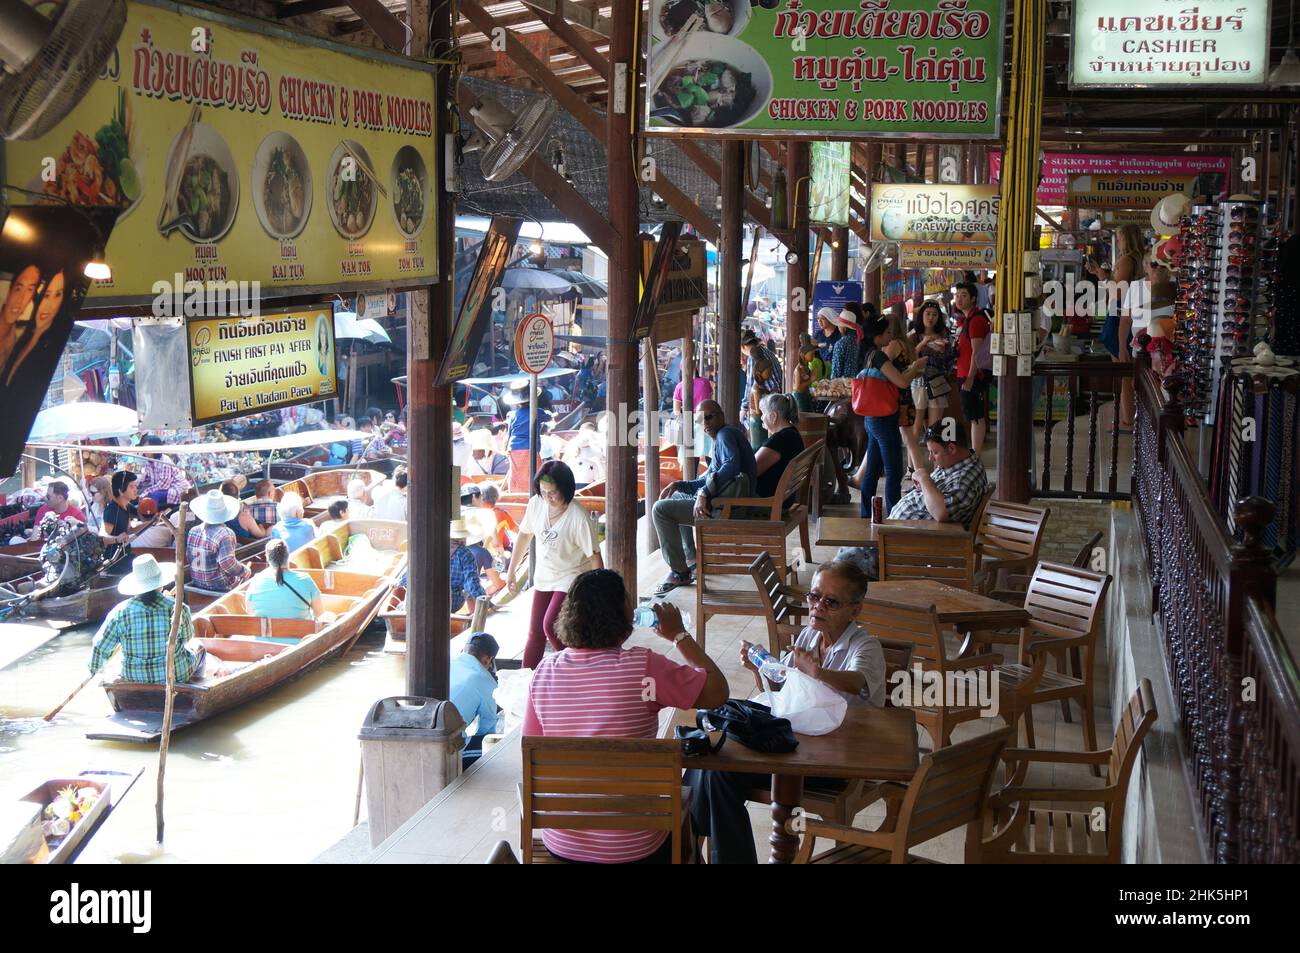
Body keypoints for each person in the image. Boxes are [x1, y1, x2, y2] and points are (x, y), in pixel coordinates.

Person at [522, 569, 728, 863]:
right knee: (689, 806)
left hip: (565, 847)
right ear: (623, 618)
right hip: (636, 847)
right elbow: (718, 691)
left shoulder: (543, 674)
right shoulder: (644, 669)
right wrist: (679, 635)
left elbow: (532, 755)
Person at [687, 559, 885, 863]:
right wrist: (759, 670)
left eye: (830, 602)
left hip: (836, 763)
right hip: (795, 750)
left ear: (854, 611)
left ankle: (693, 851)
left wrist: (817, 672)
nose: (818, 607)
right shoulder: (810, 636)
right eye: (814, 596)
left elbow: (857, 682)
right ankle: (695, 852)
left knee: (717, 770)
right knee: (708, 762)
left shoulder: (865, 647)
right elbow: (784, 693)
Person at [836, 424, 989, 579]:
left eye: (934, 452)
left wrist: (924, 477)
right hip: (900, 537)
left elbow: (942, 512)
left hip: (910, 547)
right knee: (845, 553)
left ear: (951, 448)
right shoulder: (958, 463)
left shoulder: (964, 480)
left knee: (842, 568)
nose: (931, 458)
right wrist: (923, 485)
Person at [504, 461, 603, 670]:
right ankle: (526, 680)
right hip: (545, 574)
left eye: (553, 493)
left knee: (550, 626)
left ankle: (575, 667)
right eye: (543, 491)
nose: (548, 497)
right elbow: (524, 535)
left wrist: (598, 594)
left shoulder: (578, 516)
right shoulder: (536, 504)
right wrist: (511, 571)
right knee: (534, 631)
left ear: (566, 490)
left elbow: (595, 557)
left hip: (572, 576)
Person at [651, 399, 757, 595]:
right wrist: (679, 484)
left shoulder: (725, 435)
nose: (705, 423)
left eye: (709, 417)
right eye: (701, 420)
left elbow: (731, 467)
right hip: (729, 502)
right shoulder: (724, 436)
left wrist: (704, 493)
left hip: (729, 508)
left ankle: (679, 571)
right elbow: (710, 477)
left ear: (721, 416)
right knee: (678, 495)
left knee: (660, 510)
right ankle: (691, 560)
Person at [87, 554, 220, 684]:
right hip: (175, 675)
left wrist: (94, 669)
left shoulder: (119, 612)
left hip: (134, 676)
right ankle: (192, 686)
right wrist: (169, 600)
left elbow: (100, 647)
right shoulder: (178, 608)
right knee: (199, 647)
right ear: (160, 584)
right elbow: (187, 638)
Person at [854, 314, 927, 518]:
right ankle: (895, 515)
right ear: (878, 335)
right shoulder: (878, 357)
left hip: (872, 417)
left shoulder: (866, 353)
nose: (889, 336)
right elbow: (902, 382)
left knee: (873, 471)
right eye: (886, 333)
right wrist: (916, 367)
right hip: (883, 418)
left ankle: (867, 515)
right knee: (894, 470)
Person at [1099, 224, 1145, 429]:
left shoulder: (1127, 260)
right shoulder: (1138, 259)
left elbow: (1119, 292)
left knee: (1123, 371)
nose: (1117, 241)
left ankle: (1128, 417)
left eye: (1119, 238)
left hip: (1118, 315)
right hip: (1129, 313)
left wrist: (1105, 281)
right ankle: (1129, 413)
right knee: (1126, 370)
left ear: (1126, 237)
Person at [3, 268, 63, 386]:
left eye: (57, 295)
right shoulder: (22, 337)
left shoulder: (50, 348)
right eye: (46, 295)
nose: (48, 306)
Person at [450, 633, 502, 768]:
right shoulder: (485, 680)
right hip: (448, 749)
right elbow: (487, 728)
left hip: (425, 736)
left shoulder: (447, 662)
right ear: (488, 660)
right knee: (491, 747)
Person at [908, 300, 955, 447]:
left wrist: (944, 351)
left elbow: (950, 358)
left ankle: (936, 463)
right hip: (917, 382)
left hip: (937, 382)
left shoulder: (944, 334)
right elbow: (908, 357)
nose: (931, 317)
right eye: (928, 314)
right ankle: (912, 466)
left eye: (935, 315)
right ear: (921, 315)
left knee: (935, 427)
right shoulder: (913, 335)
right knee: (916, 425)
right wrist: (923, 343)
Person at [246, 538, 329, 622]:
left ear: (267, 557)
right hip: (301, 634)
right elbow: (320, 613)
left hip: (265, 635)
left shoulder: (256, 581)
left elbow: (250, 612)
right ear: (288, 556)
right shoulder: (305, 580)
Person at [953, 282, 992, 454]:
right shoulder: (966, 320)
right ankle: (975, 453)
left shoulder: (975, 321)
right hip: (965, 374)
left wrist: (970, 377)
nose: (959, 299)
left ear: (973, 299)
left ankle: (975, 455)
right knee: (972, 415)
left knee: (975, 416)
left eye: (964, 295)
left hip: (973, 377)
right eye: (957, 295)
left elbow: (977, 352)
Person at [187, 489, 252, 593]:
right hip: (220, 586)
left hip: (197, 582)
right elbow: (227, 563)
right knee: (251, 578)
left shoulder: (193, 531)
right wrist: (244, 570)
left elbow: (189, 556)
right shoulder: (225, 534)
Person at [753, 393, 804, 498]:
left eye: (763, 413)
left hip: (768, 500)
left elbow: (751, 471)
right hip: (783, 497)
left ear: (773, 416)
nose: (762, 418)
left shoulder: (779, 440)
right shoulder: (791, 434)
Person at [740, 329, 783, 447]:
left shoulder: (753, 357)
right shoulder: (767, 352)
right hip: (776, 399)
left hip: (766, 402)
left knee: (758, 442)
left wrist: (744, 408)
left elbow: (750, 385)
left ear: (743, 346)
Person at [0, 264, 40, 373]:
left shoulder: (18, 339)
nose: (20, 299)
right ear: (9, 291)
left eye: (29, 290)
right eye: (18, 288)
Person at [99, 470, 141, 573]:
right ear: (121, 490)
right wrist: (117, 539)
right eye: (131, 487)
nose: (135, 490)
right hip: (115, 562)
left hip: (126, 555)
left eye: (135, 486)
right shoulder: (112, 510)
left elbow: (130, 529)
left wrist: (151, 522)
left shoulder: (127, 506)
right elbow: (103, 537)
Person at [136, 436, 191, 507]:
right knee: (140, 492)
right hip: (165, 488)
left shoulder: (165, 461)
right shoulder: (149, 461)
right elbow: (145, 478)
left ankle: (152, 515)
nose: (144, 451)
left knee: (153, 495)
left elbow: (163, 485)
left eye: (147, 448)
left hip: (177, 489)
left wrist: (145, 493)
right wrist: (134, 485)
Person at [450, 518, 488, 615]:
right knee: (468, 591)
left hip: (421, 598)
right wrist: (487, 603)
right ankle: (474, 614)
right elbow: (471, 584)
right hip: (451, 602)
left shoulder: (431, 547)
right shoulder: (464, 553)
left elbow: (404, 579)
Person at [562, 420, 605, 487]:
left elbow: (563, 463)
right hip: (591, 485)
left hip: (572, 484)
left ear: (580, 431)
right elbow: (602, 475)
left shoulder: (572, 444)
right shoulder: (598, 446)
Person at [829, 304, 865, 379]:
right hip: (856, 381)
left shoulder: (841, 343)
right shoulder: (857, 339)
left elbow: (836, 370)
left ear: (844, 328)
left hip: (843, 384)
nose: (838, 327)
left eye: (839, 325)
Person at [479, 484, 516, 553]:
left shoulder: (475, 513)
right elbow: (518, 531)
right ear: (496, 497)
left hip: (478, 552)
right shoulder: (502, 514)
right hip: (497, 554)